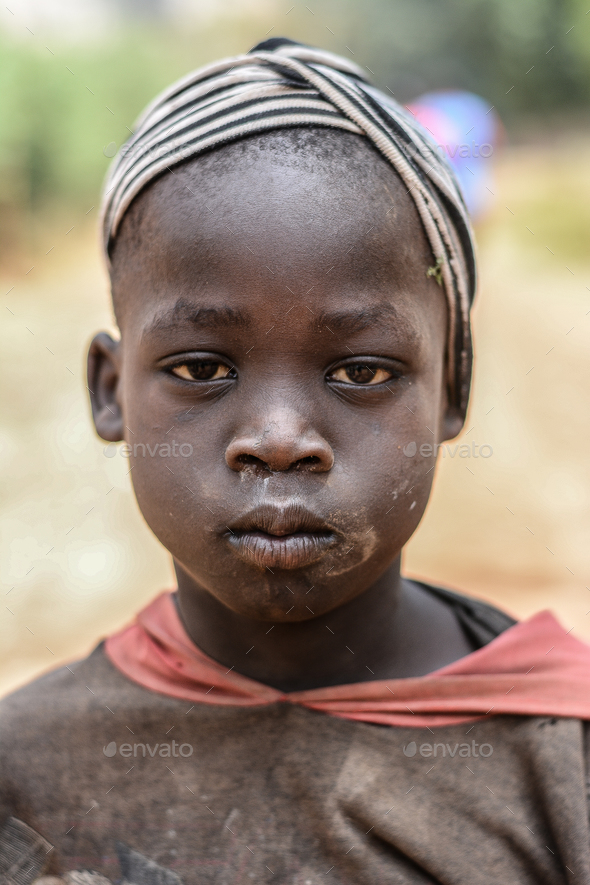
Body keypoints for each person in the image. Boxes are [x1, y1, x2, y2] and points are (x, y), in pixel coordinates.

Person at [1, 38, 590, 885]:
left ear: (453, 390)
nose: (279, 439)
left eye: (361, 373)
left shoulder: (560, 763)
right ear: (109, 392)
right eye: (202, 369)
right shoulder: (23, 769)